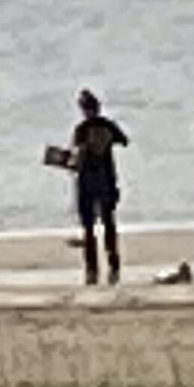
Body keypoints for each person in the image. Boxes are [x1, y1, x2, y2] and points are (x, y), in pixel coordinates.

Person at [66, 89, 129, 285]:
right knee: (108, 224)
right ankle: (113, 266)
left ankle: (92, 270)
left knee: (89, 227)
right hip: (107, 180)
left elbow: (75, 159)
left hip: (88, 181)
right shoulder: (107, 126)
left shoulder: (82, 129)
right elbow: (124, 141)